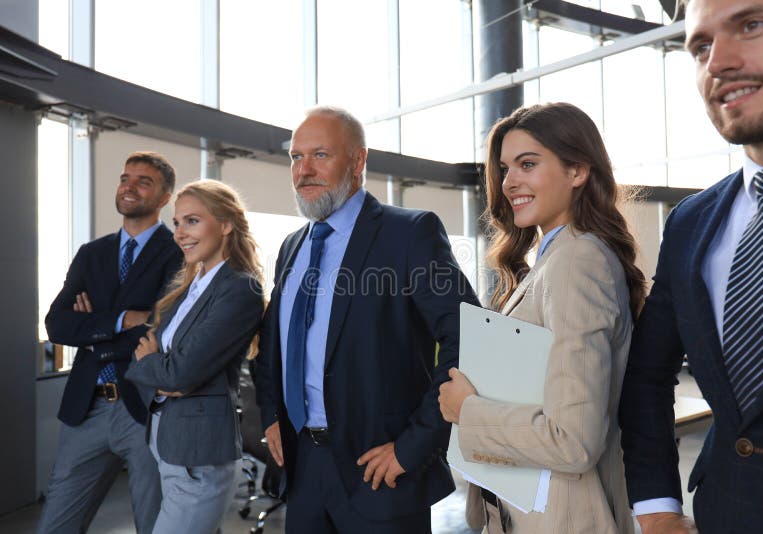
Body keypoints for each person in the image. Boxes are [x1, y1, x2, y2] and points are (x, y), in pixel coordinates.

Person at [618, 0, 763, 532]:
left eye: (751, 24)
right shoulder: (692, 224)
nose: (717, 61)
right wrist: (656, 510)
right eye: (699, 46)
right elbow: (648, 377)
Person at [253, 105, 479, 533]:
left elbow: (467, 336)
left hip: (380, 470)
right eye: (295, 158)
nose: (304, 170)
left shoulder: (409, 233)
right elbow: (273, 343)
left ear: (358, 162)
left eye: (320, 154)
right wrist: (271, 415)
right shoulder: (290, 247)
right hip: (303, 469)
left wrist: (413, 447)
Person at [438, 102, 645, 533]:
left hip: (562, 518)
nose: (509, 182)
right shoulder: (551, 260)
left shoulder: (577, 262)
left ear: (577, 172)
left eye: (527, 164)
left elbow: (572, 441)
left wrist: (467, 411)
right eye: (505, 168)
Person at [39, 152, 182, 533]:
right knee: (55, 525)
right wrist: (123, 319)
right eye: (125, 178)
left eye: (143, 181)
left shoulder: (178, 254)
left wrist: (93, 329)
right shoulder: (92, 254)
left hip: (146, 407)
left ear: (165, 197)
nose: (129, 187)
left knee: (155, 524)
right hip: (87, 407)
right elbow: (57, 324)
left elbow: (163, 331)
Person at [125, 180, 265, 533]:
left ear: (226, 224)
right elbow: (143, 354)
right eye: (176, 223)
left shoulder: (239, 288)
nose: (179, 233)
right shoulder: (190, 286)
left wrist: (162, 373)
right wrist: (163, 373)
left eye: (192, 221)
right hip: (167, 443)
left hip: (198, 458)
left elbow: (178, 375)